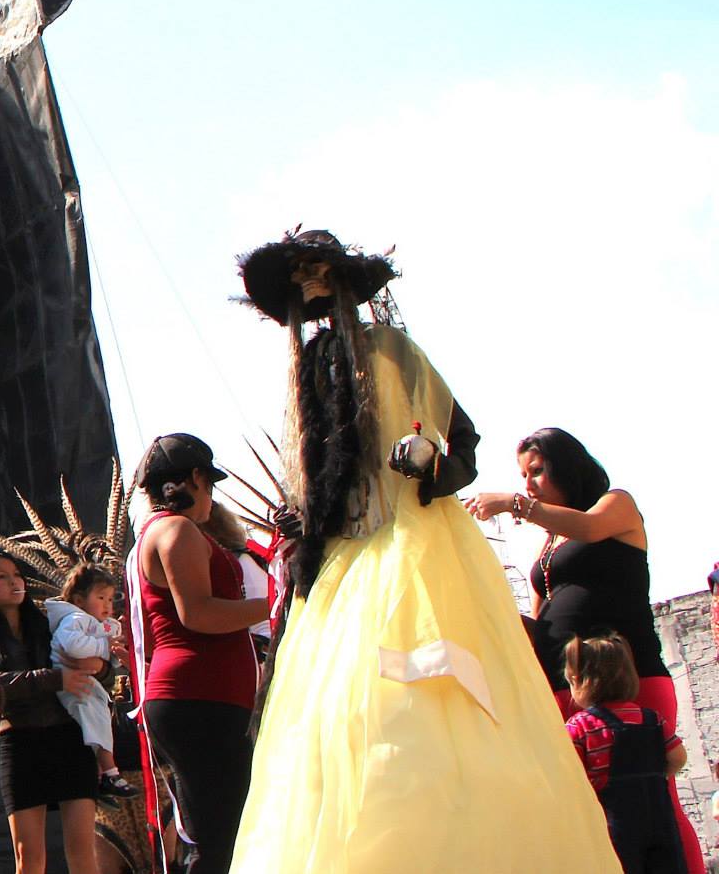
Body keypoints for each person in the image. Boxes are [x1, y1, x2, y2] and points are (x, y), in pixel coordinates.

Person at [227, 229, 616, 871]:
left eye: (319, 271)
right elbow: (315, 478)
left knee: (444, 687)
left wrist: (434, 468)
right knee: (350, 712)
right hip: (345, 564)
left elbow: (463, 438)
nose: (312, 285)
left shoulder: (394, 349)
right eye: (301, 277)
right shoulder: (310, 366)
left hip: (422, 540)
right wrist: (300, 534)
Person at [467, 427, 702, 871]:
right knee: (587, 811)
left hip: (632, 681)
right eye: (522, 476)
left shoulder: (615, 506)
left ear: (566, 465)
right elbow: (540, 625)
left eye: (537, 470)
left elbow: (589, 528)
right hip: (567, 690)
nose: (528, 483)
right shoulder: (549, 544)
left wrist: (514, 504)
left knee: (654, 801)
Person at [129, 434, 267, 874]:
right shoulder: (177, 530)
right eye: (211, 483)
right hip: (200, 699)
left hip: (199, 697)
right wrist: (277, 604)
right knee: (219, 836)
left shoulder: (160, 533)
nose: (212, 497)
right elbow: (199, 614)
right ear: (194, 478)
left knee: (221, 832)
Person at [0, 551, 100, 874]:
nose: (14, 582)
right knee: (29, 857)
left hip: (69, 736)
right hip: (20, 743)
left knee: (82, 850)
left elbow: (92, 662)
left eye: (17, 574)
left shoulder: (51, 621)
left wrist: (101, 665)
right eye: (2, 577)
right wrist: (53, 679)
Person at [563, 633, 688, 874]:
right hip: (659, 819)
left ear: (579, 681)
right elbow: (678, 758)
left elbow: (572, 775)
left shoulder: (580, 726)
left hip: (615, 825)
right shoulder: (651, 718)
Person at [42, 566, 134, 800]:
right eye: (100, 598)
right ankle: (110, 772)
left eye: (111, 599)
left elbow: (107, 662)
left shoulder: (98, 624)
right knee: (96, 720)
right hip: (74, 683)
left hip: (88, 683)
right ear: (79, 600)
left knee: (100, 720)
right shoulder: (74, 621)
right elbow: (73, 647)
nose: (107, 605)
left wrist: (114, 652)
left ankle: (104, 773)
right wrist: (104, 647)